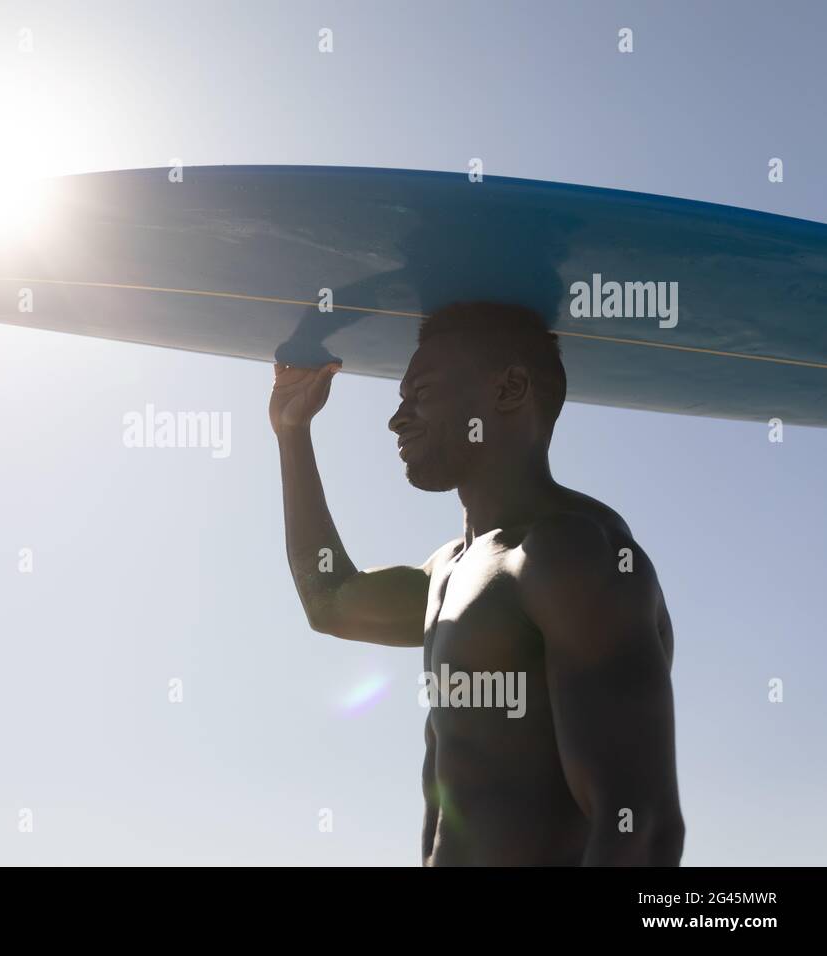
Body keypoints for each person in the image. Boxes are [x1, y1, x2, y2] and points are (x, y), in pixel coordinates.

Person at [270, 301, 685, 865]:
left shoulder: (570, 555)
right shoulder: (450, 568)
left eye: (421, 394)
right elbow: (331, 602)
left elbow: (640, 824)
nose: (397, 418)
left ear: (510, 389)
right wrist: (293, 435)